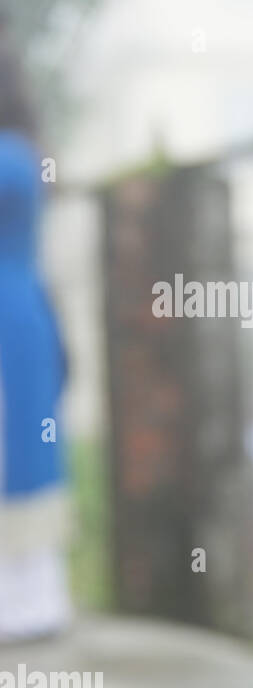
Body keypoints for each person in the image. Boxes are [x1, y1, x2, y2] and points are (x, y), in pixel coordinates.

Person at [0, 14, 73, 642]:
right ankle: (31, 592)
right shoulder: (30, 148)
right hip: (26, 309)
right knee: (25, 446)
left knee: (19, 447)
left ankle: (28, 595)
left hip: (13, 315)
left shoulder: (13, 159)